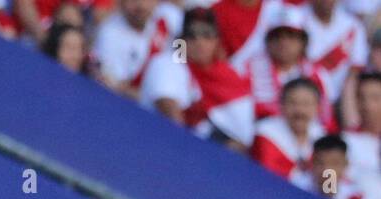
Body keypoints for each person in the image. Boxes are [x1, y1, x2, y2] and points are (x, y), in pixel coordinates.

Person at [140, 7, 256, 148]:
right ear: (181, 40)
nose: (199, 41)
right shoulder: (170, 62)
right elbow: (171, 116)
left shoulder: (231, 76)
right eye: (191, 35)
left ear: (216, 41)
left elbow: (243, 142)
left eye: (207, 35)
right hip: (164, 146)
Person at [246, 15, 335, 127]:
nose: (284, 43)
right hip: (263, 135)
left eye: (291, 37)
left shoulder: (318, 74)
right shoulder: (249, 70)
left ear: (303, 42)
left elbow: (327, 118)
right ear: (268, 42)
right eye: (278, 37)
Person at [93, 0, 183, 98]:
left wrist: (179, 62)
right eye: (133, 1)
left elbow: (185, 46)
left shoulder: (168, 15)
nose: (141, 5)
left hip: (177, 91)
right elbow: (116, 87)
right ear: (121, 3)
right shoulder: (109, 34)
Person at [250, 77, 329, 178]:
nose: (300, 110)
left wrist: (328, 184)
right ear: (281, 105)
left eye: (306, 104)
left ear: (318, 108)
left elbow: (330, 186)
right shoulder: (265, 133)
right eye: (293, 103)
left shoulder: (321, 135)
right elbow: (268, 177)